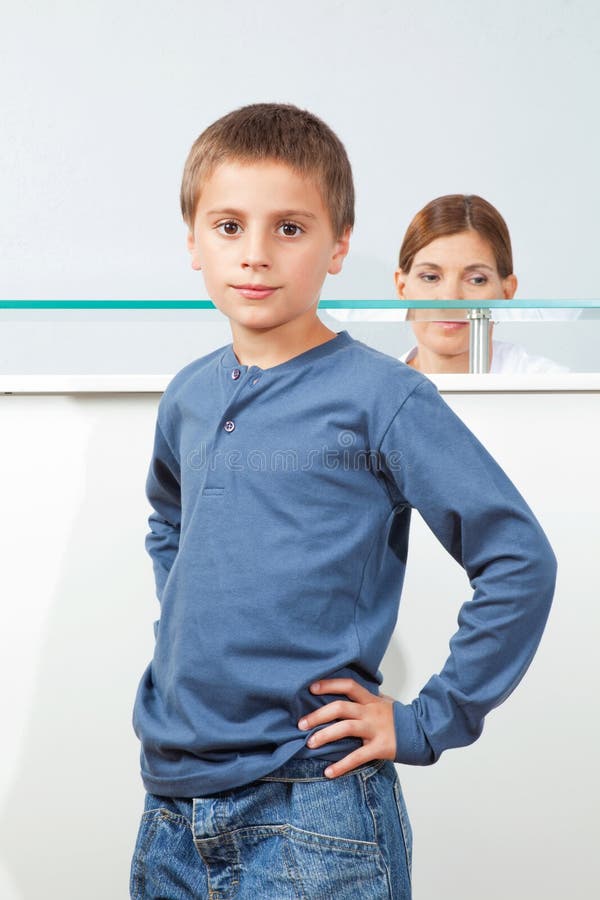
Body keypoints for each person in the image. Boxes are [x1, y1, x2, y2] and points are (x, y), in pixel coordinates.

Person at [130, 103, 557, 899]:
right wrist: (197, 625)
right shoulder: (188, 394)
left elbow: (519, 560)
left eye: (289, 228)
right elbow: (170, 522)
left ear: (340, 245)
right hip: (170, 806)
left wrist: (428, 718)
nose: (255, 255)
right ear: (192, 239)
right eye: (229, 226)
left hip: (314, 810)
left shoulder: (382, 396)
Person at [394, 194, 570, 373]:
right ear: (402, 287)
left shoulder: (554, 386)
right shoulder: (378, 389)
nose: (451, 298)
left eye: (476, 280)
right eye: (430, 277)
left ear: (507, 291)